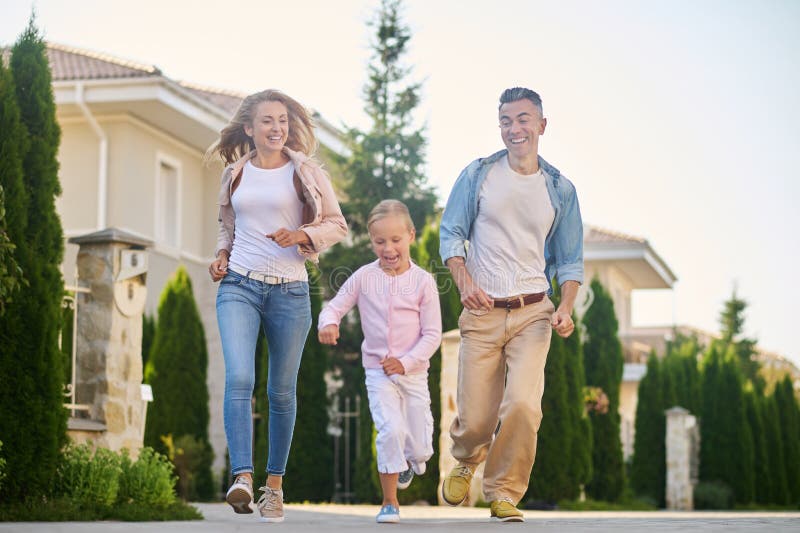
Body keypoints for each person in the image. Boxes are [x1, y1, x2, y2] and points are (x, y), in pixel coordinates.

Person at [438, 87, 583, 522]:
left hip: (533, 312)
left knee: (523, 403)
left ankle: (503, 491)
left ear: (542, 125)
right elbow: (451, 234)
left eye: (523, 119)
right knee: (477, 417)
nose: (514, 129)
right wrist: (463, 283)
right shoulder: (479, 174)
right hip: (482, 310)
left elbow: (570, 260)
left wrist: (566, 307)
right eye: (506, 121)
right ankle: (466, 458)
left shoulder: (559, 189)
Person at [207, 89, 348, 522]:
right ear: (249, 128)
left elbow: (337, 224)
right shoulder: (235, 173)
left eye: (282, 120)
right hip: (239, 286)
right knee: (240, 377)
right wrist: (221, 256)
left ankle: (273, 487)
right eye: (267, 121)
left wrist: (302, 236)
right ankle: (243, 478)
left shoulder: (305, 171)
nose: (277, 128)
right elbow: (227, 226)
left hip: (289, 290)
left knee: (281, 392)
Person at [318, 200, 442, 524]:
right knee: (390, 430)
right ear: (372, 241)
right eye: (379, 241)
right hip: (377, 372)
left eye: (395, 240)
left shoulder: (424, 282)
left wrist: (405, 362)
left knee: (421, 448)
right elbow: (334, 306)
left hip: (413, 374)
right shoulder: (363, 277)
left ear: (411, 236)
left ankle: (411, 462)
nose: (388, 248)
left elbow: (433, 335)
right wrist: (327, 323)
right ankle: (390, 502)